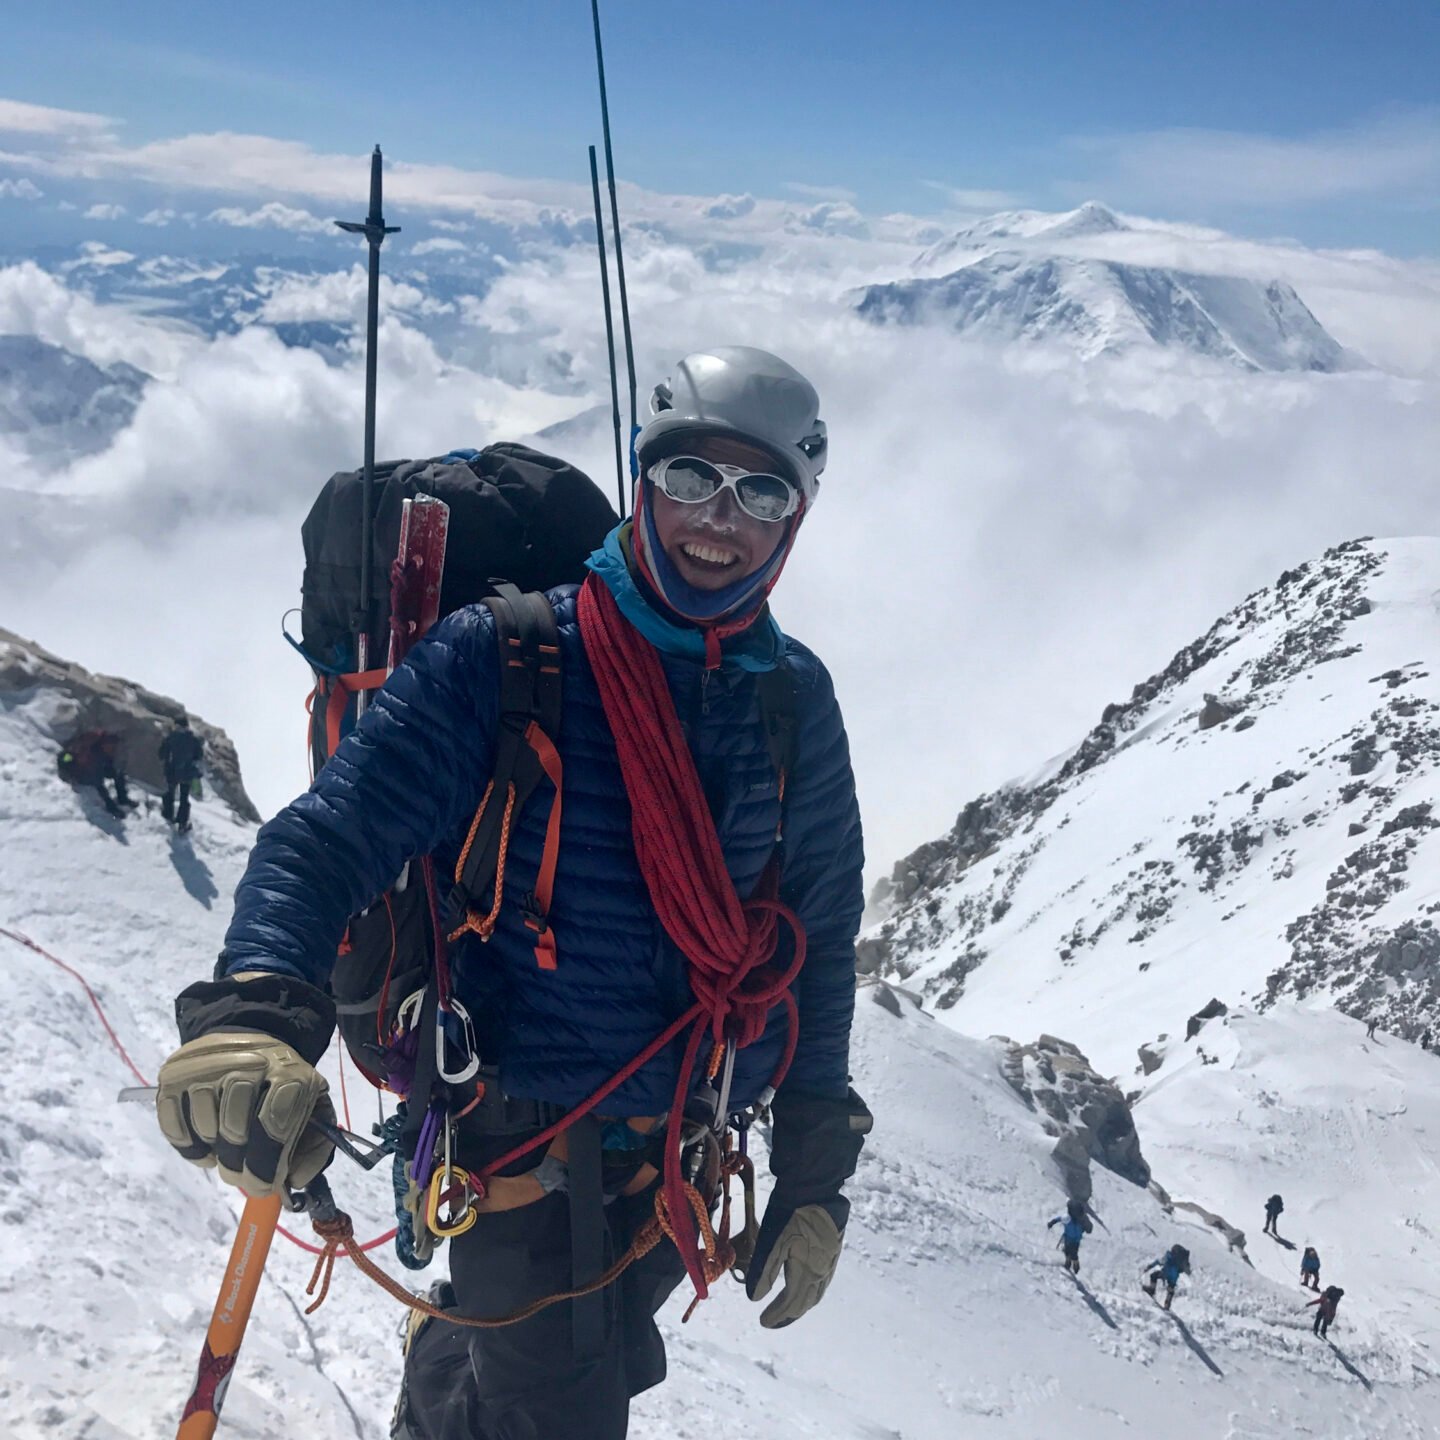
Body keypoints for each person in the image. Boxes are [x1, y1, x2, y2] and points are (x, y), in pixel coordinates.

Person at [152, 347, 871, 1440]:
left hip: (681, 1143)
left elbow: (816, 935)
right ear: (643, 478)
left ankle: (447, 1376)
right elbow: (331, 837)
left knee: (572, 1364)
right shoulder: (509, 654)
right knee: (561, 1405)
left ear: (796, 517)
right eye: (690, 478)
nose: (719, 518)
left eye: (760, 491)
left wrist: (814, 1173)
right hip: (526, 1147)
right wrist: (253, 1008)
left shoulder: (792, 702)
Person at [57, 728, 136, 819]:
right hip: (79, 773)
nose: (114, 749)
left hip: (91, 769)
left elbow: (108, 765)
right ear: (105, 744)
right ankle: (111, 807)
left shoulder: (103, 750)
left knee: (118, 774)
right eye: (111, 746)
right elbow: (66, 758)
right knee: (98, 782)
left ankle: (122, 799)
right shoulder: (89, 752)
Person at [158, 714, 204, 833]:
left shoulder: (171, 738)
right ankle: (182, 823)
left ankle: (168, 815)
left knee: (170, 793)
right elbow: (199, 755)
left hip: (172, 771)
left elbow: (161, 754)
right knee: (184, 798)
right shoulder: (193, 739)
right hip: (187, 772)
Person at [1143, 1244, 1190, 1310]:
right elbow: (1185, 1270)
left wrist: (1150, 1266)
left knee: (1154, 1276)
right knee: (1171, 1289)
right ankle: (1167, 1304)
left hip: (1165, 1273)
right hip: (1174, 1277)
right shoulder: (1180, 1260)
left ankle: (1151, 1290)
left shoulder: (1169, 1256)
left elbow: (1159, 1261)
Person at [1047, 1203, 1090, 1275]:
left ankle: (1076, 1264)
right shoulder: (1067, 1218)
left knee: (1074, 1253)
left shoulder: (1077, 1221)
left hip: (1075, 1240)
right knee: (1067, 1251)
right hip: (1069, 1238)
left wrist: (1084, 1229)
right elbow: (1058, 1219)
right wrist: (1052, 1223)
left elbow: (1084, 1227)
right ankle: (1068, 1262)